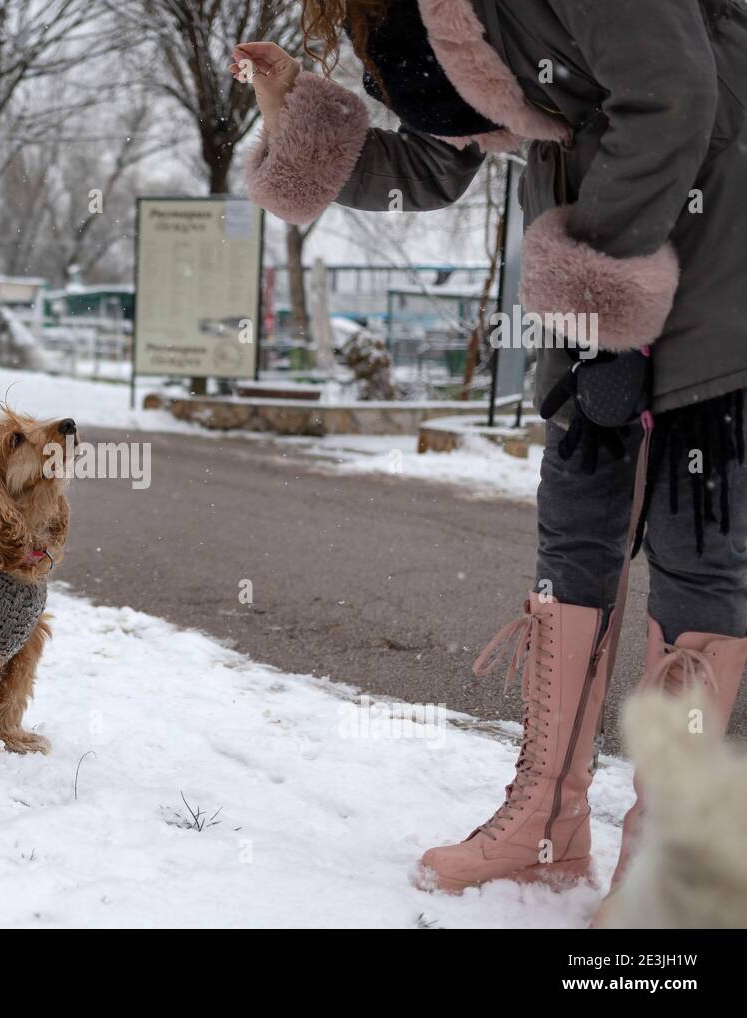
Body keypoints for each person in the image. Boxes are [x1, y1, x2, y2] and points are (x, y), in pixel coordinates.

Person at [233, 0, 747, 912]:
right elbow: (440, 157)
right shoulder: (439, 18)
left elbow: (674, 94)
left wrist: (603, 301)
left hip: (718, 247)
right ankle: (546, 826)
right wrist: (289, 114)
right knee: (574, 544)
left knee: (696, 554)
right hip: (598, 269)